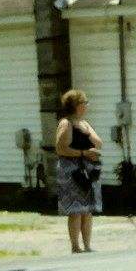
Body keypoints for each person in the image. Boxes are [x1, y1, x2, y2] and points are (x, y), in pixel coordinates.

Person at [53, 89, 103, 252]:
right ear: (76, 105)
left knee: (87, 210)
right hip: (72, 171)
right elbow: (61, 149)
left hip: (88, 171)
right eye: (84, 102)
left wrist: (89, 141)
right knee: (76, 210)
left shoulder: (84, 123)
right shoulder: (66, 123)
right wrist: (83, 153)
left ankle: (87, 245)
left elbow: (98, 143)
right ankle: (75, 246)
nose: (86, 105)